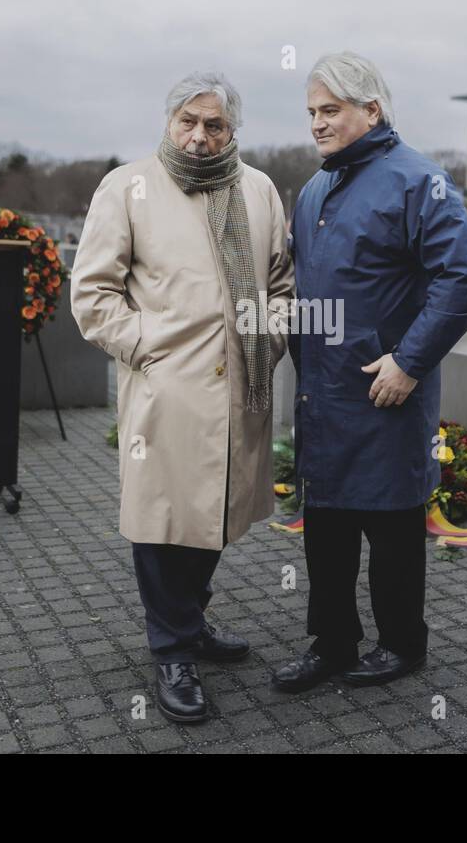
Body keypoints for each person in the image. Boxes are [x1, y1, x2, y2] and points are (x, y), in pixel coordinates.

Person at [69, 71, 295, 724]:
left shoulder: (258, 191)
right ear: (170, 122)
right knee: (161, 520)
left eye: (215, 124)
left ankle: (190, 623)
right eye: (188, 121)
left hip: (240, 390)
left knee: (215, 514)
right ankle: (171, 648)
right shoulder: (127, 187)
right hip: (167, 392)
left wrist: (272, 336)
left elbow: (280, 283)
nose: (200, 136)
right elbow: (93, 294)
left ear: (233, 130)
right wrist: (148, 349)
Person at [272, 51, 467, 693]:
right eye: (311, 112)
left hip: (384, 391)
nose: (317, 123)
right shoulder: (314, 189)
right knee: (328, 530)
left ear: (372, 110)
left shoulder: (418, 181)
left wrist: (409, 361)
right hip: (323, 395)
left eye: (330, 110)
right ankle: (332, 642)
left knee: (393, 529)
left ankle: (403, 644)